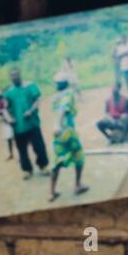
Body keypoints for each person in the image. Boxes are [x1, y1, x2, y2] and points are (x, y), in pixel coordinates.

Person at [4, 65, 49, 179]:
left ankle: (43, 166)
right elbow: (4, 108)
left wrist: (31, 110)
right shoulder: (8, 92)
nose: (15, 77)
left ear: (20, 75)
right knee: (22, 150)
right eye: (12, 76)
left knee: (39, 146)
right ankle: (27, 170)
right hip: (18, 126)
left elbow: (37, 100)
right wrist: (9, 119)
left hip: (32, 123)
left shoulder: (30, 86)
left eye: (16, 75)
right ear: (10, 78)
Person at [49, 70, 88, 202]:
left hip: (58, 133)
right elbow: (63, 110)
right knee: (78, 156)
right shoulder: (69, 94)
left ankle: (52, 192)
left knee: (58, 160)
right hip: (67, 130)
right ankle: (77, 185)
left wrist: (56, 126)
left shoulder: (55, 97)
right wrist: (59, 125)